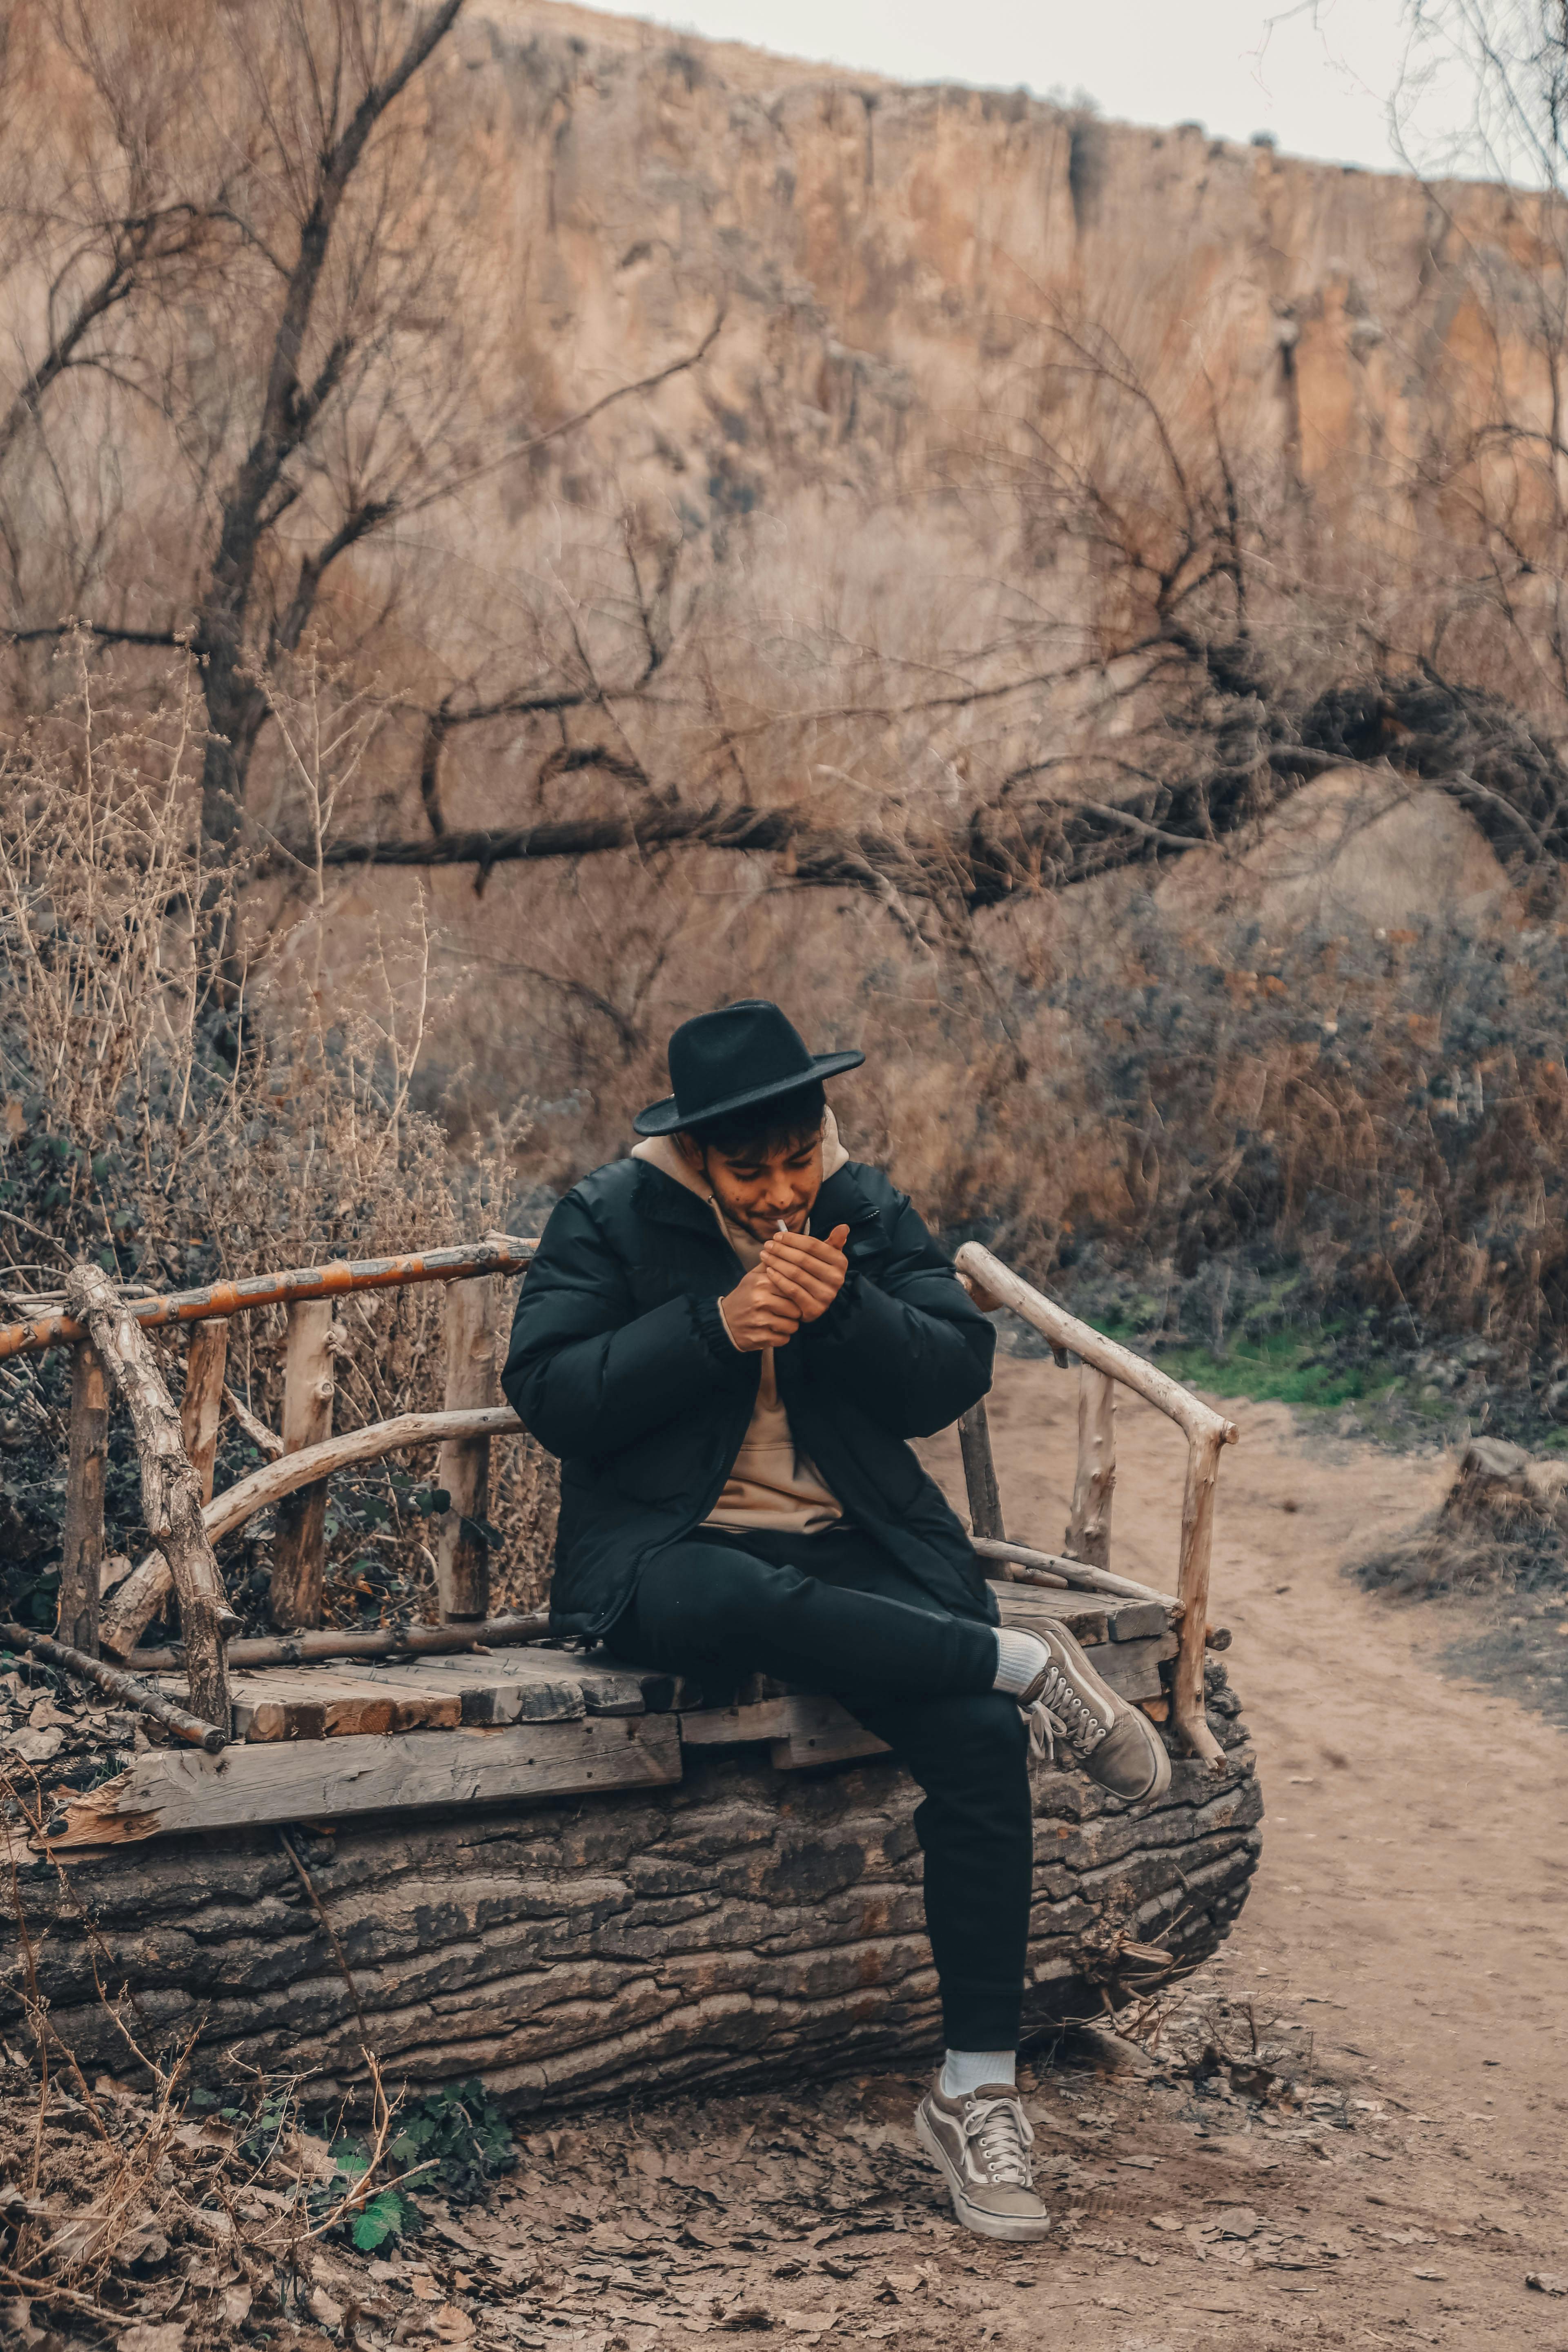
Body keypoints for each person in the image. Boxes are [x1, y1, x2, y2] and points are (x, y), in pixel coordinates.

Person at [503, 999, 1169, 2242]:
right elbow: (547, 1389)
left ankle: (977, 2094)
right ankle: (1024, 1664)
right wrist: (716, 1327)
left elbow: (953, 1370)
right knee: (718, 1597)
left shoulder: (860, 1200)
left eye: (798, 1160)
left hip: (858, 1548)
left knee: (973, 1742)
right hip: (671, 1548)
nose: (779, 1192)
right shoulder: (610, 1213)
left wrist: (838, 1306)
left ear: (822, 1134)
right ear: (696, 1155)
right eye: (749, 1172)